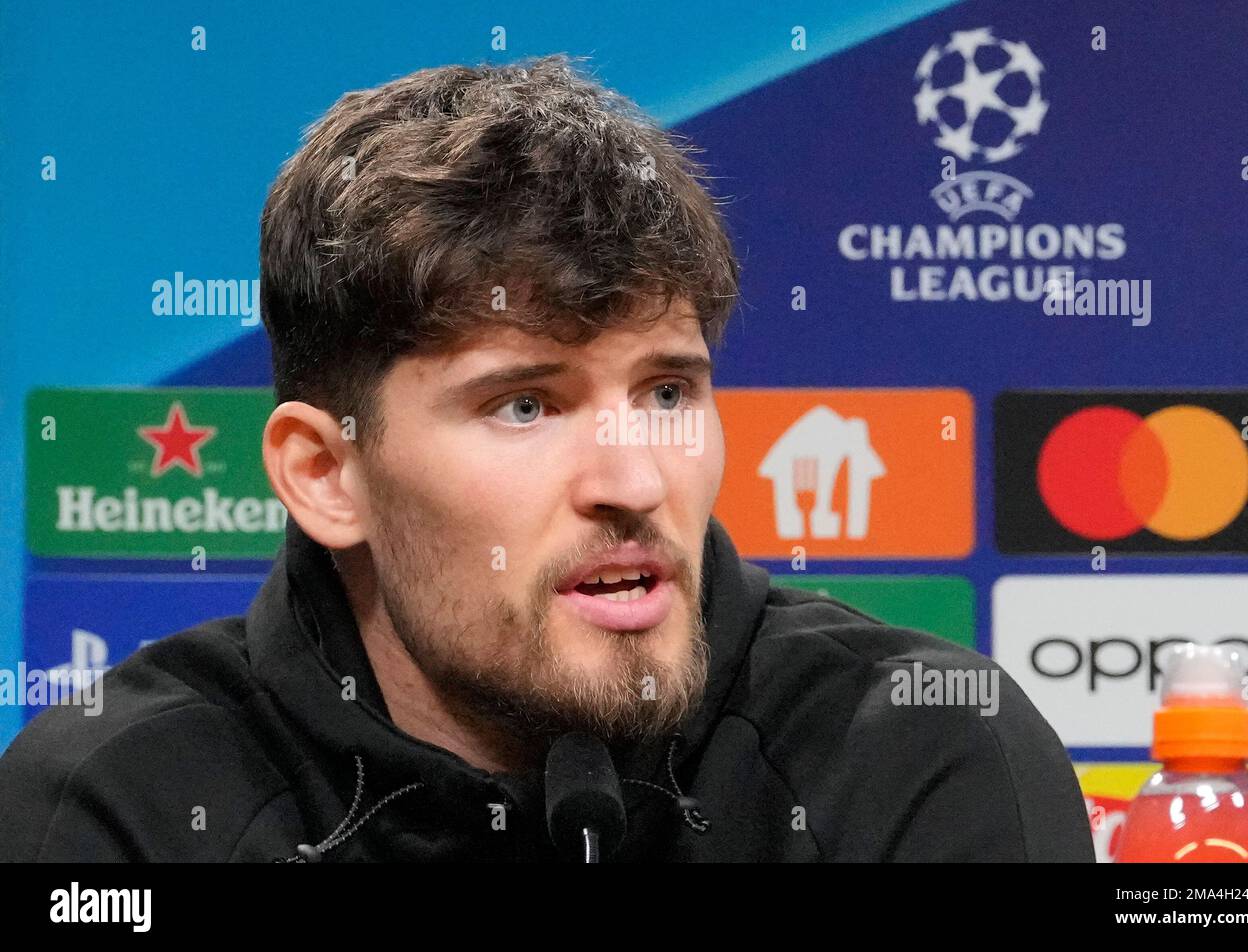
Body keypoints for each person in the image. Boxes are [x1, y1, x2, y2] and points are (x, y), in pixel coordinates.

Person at [0, 55, 1093, 862]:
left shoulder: (921, 754)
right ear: (325, 475)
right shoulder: (117, 806)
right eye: (525, 406)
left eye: (667, 392)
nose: (633, 481)